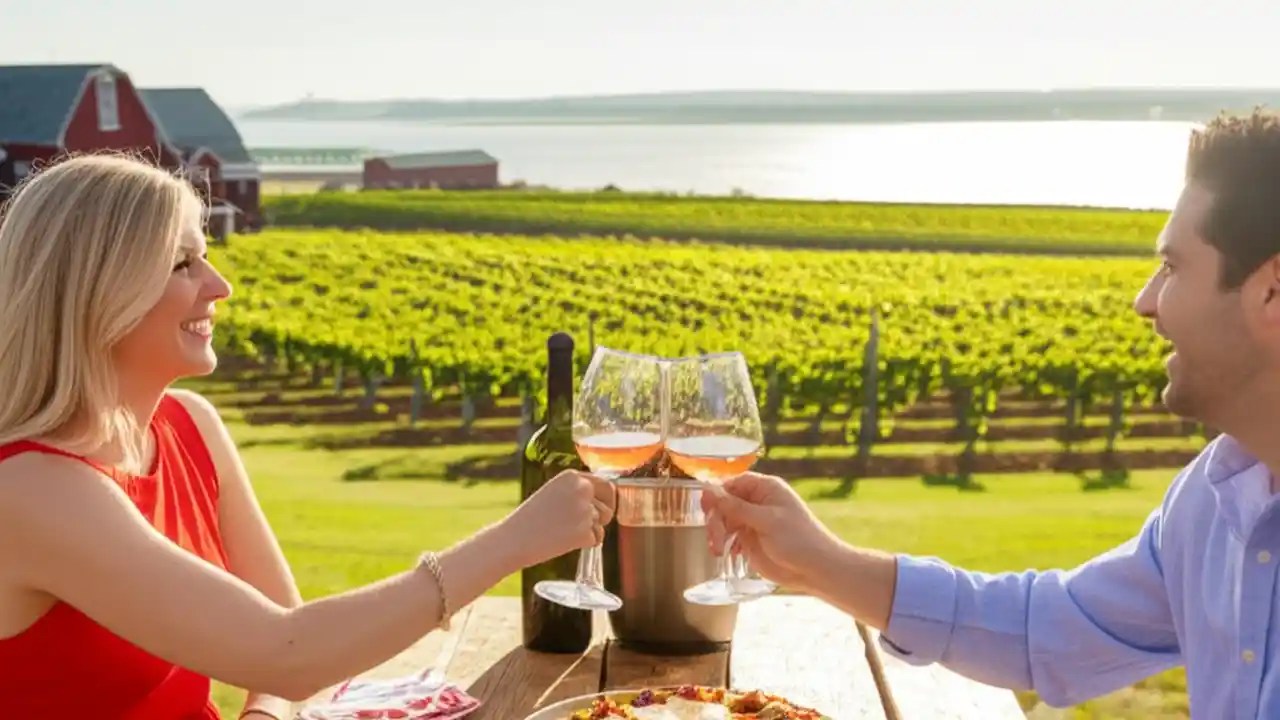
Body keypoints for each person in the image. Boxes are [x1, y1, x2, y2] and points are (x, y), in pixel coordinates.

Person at [703, 109, 1280, 720]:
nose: (1145, 302)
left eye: (1172, 267)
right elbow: (1051, 628)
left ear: (1272, 291)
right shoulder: (1214, 500)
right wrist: (823, 565)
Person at [0, 154, 615, 719]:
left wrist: (263, 716)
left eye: (206, 255)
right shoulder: (32, 491)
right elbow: (289, 653)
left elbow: (285, 633)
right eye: (182, 263)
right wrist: (514, 542)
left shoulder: (190, 427)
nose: (219, 285)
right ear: (97, 292)